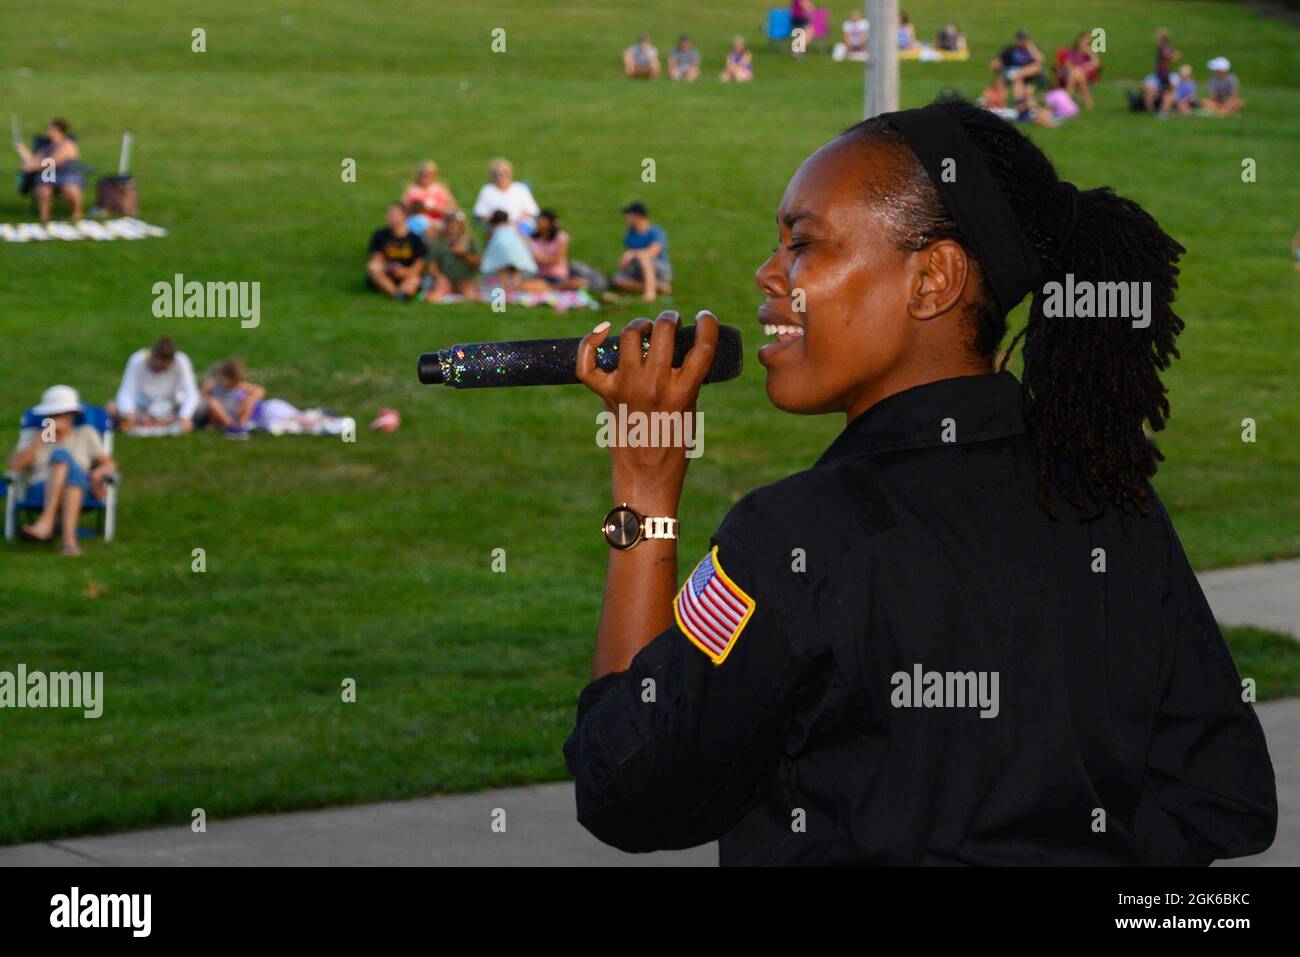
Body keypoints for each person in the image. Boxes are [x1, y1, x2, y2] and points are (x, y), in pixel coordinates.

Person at [563, 97, 1277, 865]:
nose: (767, 274)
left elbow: (626, 785)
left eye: (803, 244)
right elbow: (1221, 796)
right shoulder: (1113, 499)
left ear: (932, 278)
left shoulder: (794, 538)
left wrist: (643, 489)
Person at [10, 385, 116, 556]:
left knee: (63, 458)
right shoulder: (34, 434)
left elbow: (109, 464)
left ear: (72, 416)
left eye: (62, 415)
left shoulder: (85, 433)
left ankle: (47, 521)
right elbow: (15, 467)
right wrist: (41, 438)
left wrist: (98, 473)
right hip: (41, 487)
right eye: (52, 415)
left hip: (82, 489)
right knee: (62, 458)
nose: (57, 419)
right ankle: (69, 542)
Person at [201, 358, 350, 437]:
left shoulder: (241, 389)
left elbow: (258, 392)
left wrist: (243, 415)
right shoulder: (217, 388)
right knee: (300, 420)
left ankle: (335, 423)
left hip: (268, 411)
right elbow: (206, 399)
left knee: (301, 421)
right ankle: (331, 422)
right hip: (269, 411)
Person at [108, 336, 200, 434]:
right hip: (141, 408)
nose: (160, 370)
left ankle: (157, 423)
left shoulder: (181, 362)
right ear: (152, 356)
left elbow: (191, 393)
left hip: (168, 408)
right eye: (158, 366)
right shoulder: (137, 360)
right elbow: (126, 392)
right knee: (112, 409)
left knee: (200, 408)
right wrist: (129, 412)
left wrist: (185, 416)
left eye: (165, 368)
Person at [12, 118, 86, 223]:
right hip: (48, 175)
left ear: (58, 130)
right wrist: (21, 149)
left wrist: (31, 167)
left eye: (50, 129)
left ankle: (77, 214)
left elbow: (54, 161)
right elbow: (32, 160)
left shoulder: (68, 144)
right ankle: (45, 217)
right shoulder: (46, 147)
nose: (47, 131)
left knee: (69, 189)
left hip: (67, 174)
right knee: (43, 189)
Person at [611, 201, 671, 302]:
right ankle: (658, 287)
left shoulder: (656, 232)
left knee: (643, 256)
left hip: (659, 269)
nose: (626, 219)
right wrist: (625, 260)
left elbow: (653, 252)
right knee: (617, 280)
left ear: (637, 216)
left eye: (628, 216)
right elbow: (624, 264)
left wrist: (633, 253)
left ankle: (650, 292)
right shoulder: (630, 235)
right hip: (639, 271)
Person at [366, 203, 426, 300]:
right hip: (386, 272)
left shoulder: (415, 239)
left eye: (394, 215)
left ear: (404, 216)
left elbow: (419, 265)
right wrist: (390, 268)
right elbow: (377, 257)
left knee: (415, 279)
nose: (390, 217)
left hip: (406, 273)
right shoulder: (380, 235)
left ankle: (404, 292)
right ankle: (395, 293)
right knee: (373, 266)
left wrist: (404, 272)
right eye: (389, 215)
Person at [480, 210, 549, 293]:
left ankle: (507, 286)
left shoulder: (493, 230)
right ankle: (515, 284)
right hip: (517, 254)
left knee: (501, 267)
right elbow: (522, 239)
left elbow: (490, 243)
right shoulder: (513, 227)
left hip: (501, 253)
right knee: (514, 269)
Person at [470, 157, 540, 234]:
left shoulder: (520, 188)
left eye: (504, 173)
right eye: (497, 174)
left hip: (520, 225)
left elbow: (532, 210)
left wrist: (516, 222)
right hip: (498, 226)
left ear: (510, 173)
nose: (501, 177)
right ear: (492, 176)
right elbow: (480, 212)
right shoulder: (487, 190)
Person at [425, 211, 481, 301]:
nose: (453, 226)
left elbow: (479, 263)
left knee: (471, 298)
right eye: (451, 223)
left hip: (465, 281)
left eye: (456, 224)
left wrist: (464, 254)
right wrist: (440, 277)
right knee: (435, 298)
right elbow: (432, 267)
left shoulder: (469, 241)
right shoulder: (439, 243)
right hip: (446, 281)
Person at [529, 209, 587, 290]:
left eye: (542, 221)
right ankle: (551, 288)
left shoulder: (561, 237)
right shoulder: (533, 238)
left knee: (579, 283)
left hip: (556, 275)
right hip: (539, 274)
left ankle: (552, 287)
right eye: (538, 220)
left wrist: (538, 258)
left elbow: (557, 259)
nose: (539, 223)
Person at [402, 160, 458, 235]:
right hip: (417, 222)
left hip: (439, 222)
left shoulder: (441, 189)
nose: (426, 177)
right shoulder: (411, 191)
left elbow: (453, 209)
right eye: (423, 174)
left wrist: (435, 208)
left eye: (429, 174)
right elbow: (403, 210)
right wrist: (418, 209)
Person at [990, 30, 1043, 105]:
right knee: (1018, 81)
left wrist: (1031, 48)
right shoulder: (1010, 49)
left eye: (1025, 39)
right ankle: (1019, 103)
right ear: (1017, 40)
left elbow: (1040, 60)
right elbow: (996, 63)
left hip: (1026, 73)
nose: (1022, 41)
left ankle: (1017, 75)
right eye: (1021, 39)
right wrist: (996, 65)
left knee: (1037, 67)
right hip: (1013, 71)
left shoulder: (1032, 49)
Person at [1056, 32, 1100, 110]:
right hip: (1069, 74)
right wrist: (1081, 69)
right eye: (1084, 43)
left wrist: (1091, 53)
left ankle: (1066, 101)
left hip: (1083, 76)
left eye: (1088, 44)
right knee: (1077, 72)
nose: (1085, 46)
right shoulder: (1070, 52)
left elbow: (1097, 64)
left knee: (1078, 73)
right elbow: (1068, 66)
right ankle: (1087, 99)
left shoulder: (1088, 56)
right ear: (1078, 43)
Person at [1142, 28, 1180, 115]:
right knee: (1167, 91)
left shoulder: (1162, 47)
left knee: (1166, 91)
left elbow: (1166, 56)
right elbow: (1168, 56)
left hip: (1163, 74)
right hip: (1163, 74)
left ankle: (1158, 111)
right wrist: (1175, 55)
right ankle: (1161, 111)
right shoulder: (1164, 47)